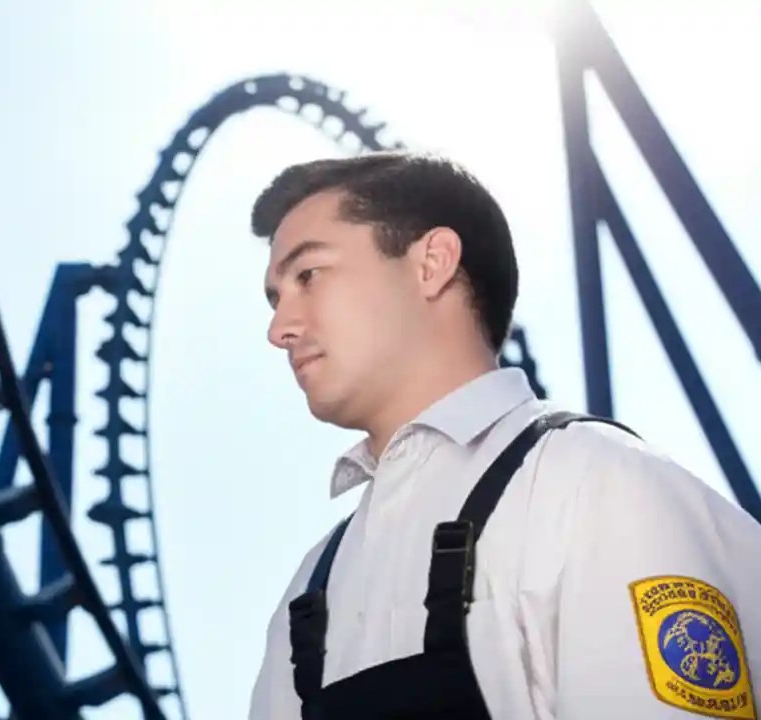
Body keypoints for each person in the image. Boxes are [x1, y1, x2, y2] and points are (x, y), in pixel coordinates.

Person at [247, 150, 761, 719]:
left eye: (308, 276)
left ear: (431, 263)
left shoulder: (597, 487)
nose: (279, 328)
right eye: (275, 298)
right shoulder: (308, 592)